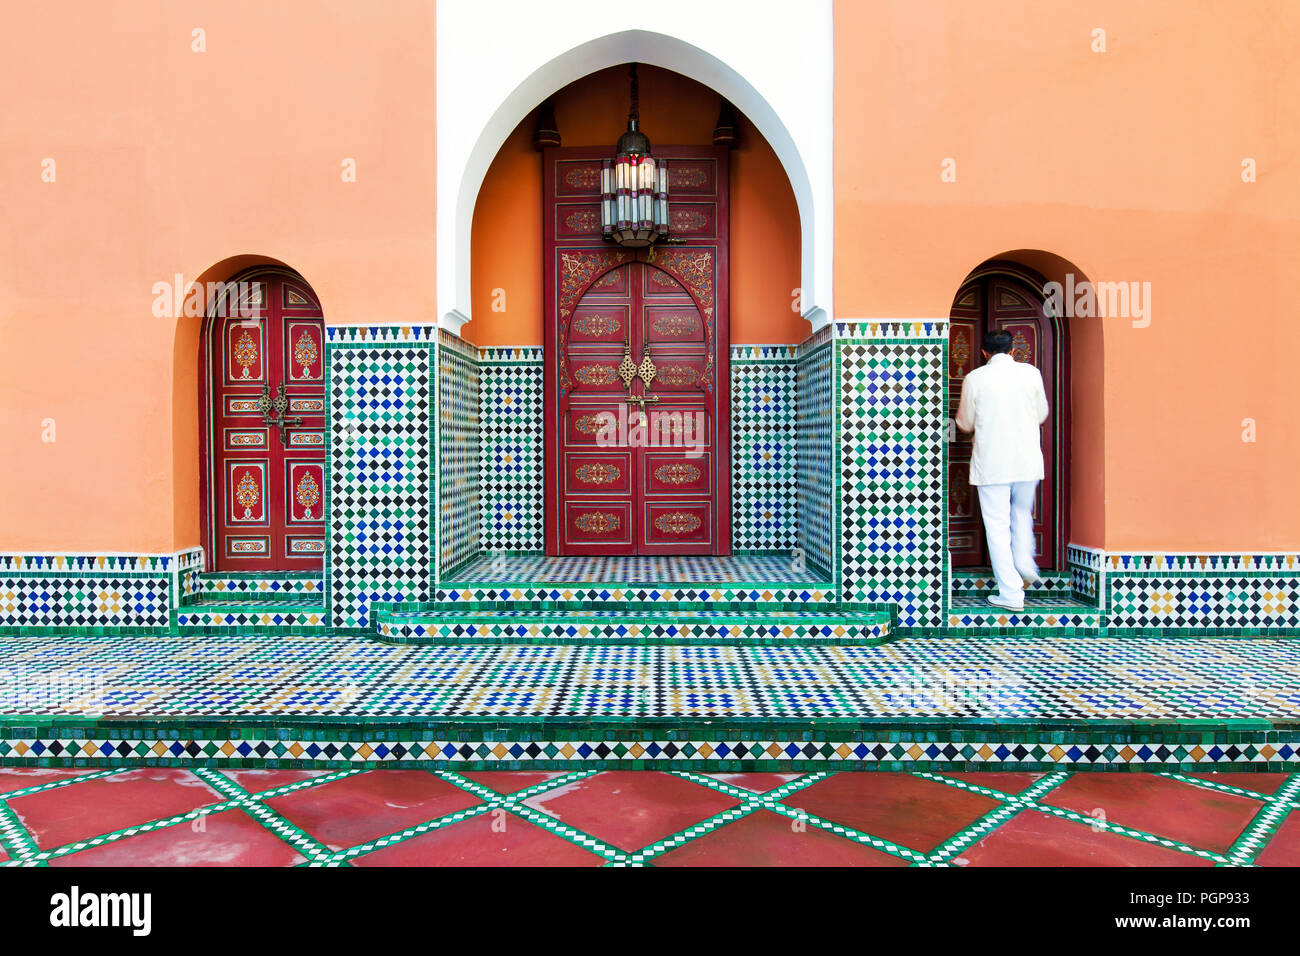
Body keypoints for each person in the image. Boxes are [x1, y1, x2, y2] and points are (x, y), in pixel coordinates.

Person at [954, 329, 1050, 611]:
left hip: (993, 464)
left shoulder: (975, 378)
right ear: (1012, 351)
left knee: (997, 526)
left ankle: (1011, 592)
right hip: (1027, 460)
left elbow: (965, 422)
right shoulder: (1031, 373)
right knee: (1021, 514)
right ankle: (1024, 560)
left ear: (984, 352)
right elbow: (1042, 413)